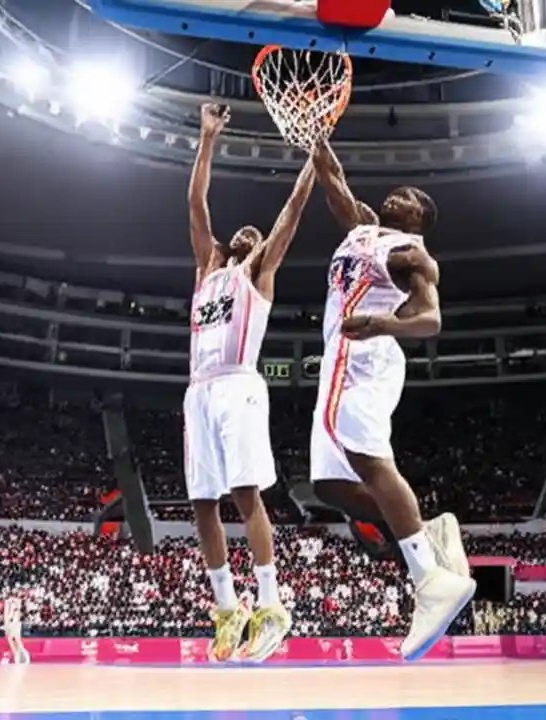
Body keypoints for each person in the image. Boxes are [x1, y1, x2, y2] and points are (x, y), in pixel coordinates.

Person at [306, 137, 474, 661]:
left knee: (369, 461)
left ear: (419, 220)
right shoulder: (362, 228)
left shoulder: (411, 255)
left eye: (409, 197)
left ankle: (429, 579)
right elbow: (332, 178)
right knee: (329, 484)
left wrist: (382, 324)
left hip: (368, 355)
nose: (396, 196)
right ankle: (430, 530)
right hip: (340, 357)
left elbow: (431, 320)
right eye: (396, 192)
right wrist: (315, 132)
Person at [185, 103, 317, 663]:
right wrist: (207, 138)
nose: (246, 230)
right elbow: (196, 205)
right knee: (201, 504)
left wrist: (315, 159)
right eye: (239, 230)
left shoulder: (257, 274)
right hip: (198, 389)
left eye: (254, 233)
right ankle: (226, 607)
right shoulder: (206, 271)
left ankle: (270, 603)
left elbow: (290, 214)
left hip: (238, 384)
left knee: (245, 494)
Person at [3, 596, 30, 665]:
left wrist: (14, 602)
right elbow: (7, 614)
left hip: (14, 622)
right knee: (11, 639)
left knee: (16, 639)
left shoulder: (17, 607)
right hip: (10, 622)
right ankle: (18, 656)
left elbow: (17, 610)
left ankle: (22, 657)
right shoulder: (11, 605)